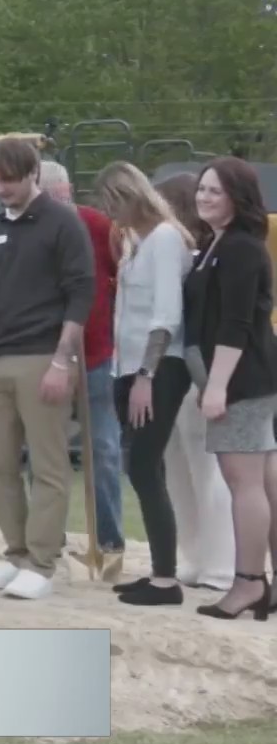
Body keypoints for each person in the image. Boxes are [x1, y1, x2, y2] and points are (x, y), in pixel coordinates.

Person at [0, 137, 96, 601]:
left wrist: (63, 360)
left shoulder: (64, 223)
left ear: (32, 173)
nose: (0, 189)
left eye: (8, 180)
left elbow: (81, 293)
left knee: (48, 466)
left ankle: (42, 563)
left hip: (44, 356)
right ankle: (16, 553)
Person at [97, 162, 195, 606]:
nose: (108, 212)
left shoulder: (165, 239)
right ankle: (160, 571)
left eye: (111, 201)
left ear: (130, 195)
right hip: (128, 367)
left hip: (156, 368)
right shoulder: (137, 243)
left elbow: (166, 316)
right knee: (144, 468)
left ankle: (166, 581)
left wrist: (146, 377)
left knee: (142, 466)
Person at [184, 157, 277, 620]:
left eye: (215, 191)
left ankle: (248, 584)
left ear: (237, 198)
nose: (203, 197)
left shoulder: (240, 247)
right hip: (242, 378)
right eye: (202, 189)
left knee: (244, 483)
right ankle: (266, 583)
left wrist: (216, 385)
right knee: (263, 480)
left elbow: (236, 323)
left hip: (244, 379)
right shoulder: (213, 244)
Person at [153, 172, 236, 591]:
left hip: (202, 371)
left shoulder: (211, 256)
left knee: (210, 470)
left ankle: (223, 563)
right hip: (174, 371)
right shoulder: (182, 253)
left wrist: (212, 380)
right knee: (179, 469)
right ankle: (195, 555)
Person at [41, 160, 125, 576]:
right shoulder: (31, 230)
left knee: (105, 450)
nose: (57, 205)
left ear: (69, 191)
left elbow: (123, 279)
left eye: (61, 195)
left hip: (96, 355)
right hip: (48, 357)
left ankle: (109, 541)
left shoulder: (97, 225)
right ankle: (47, 539)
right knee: (44, 450)